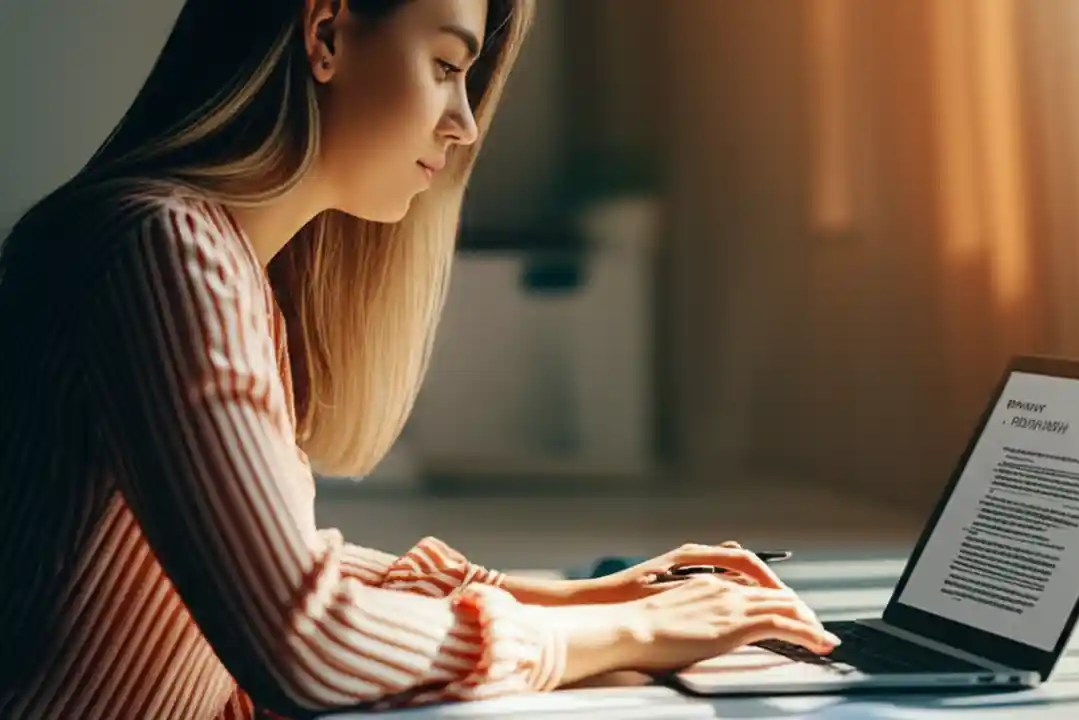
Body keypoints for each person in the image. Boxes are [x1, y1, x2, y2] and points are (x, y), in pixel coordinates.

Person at [0, 1, 838, 717]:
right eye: (445, 65)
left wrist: (572, 596)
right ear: (324, 32)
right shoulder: (163, 248)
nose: (464, 123)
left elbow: (253, 570)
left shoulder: (193, 255)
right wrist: (624, 633)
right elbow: (307, 638)